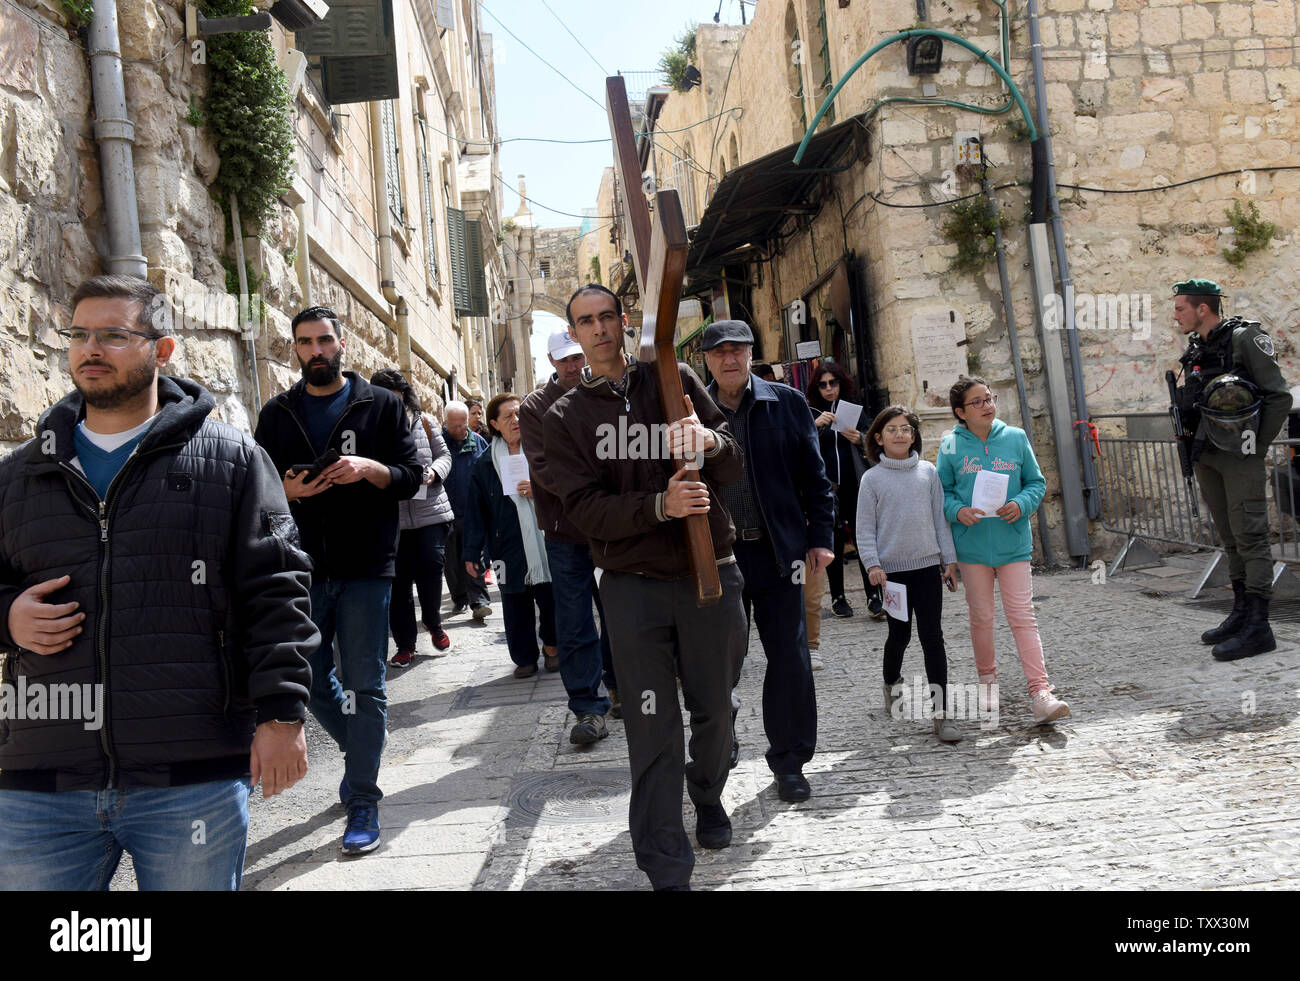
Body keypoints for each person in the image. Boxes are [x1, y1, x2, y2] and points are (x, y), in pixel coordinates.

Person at [0, 275, 317, 889]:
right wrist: (8, 616)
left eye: (115, 335)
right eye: (80, 335)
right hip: (41, 782)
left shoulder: (230, 460)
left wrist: (283, 716)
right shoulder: (20, 475)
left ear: (163, 350)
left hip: (189, 773)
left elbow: (277, 591)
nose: (91, 349)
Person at [544, 283, 747, 892]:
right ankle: (666, 865)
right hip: (633, 589)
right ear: (574, 335)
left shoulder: (672, 375)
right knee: (652, 723)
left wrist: (707, 441)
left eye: (608, 316)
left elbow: (733, 463)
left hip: (710, 571)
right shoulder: (564, 418)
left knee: (716, 712)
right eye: (586, 321)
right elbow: (583, 510)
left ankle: (707, 791)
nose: (600, 329)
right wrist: (660, 504)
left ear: (625, 321)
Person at [254, 306, 423, 854]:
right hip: (301, 568)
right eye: (306, 342)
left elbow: (413, 478)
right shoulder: (277, 414)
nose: (317, 350)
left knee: (365, 683)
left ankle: (363, 800)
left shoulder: (382, 405)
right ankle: (361, 755)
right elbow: (258, 491)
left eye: (325, 339)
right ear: (296, 349)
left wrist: (370, 470)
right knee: (307, 674)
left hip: (369, 566)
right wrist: (289, 492)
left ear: (342, 343)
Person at [703, 320, 834, 801]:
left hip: (780, 554)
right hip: (719, 557)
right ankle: (722, 749)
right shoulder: (693, 411)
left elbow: (815, 478)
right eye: (719, 353)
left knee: (790, 660)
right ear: (708, 361)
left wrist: (820, 538)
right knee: (719, 664)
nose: (729, 359)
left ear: (752, 353)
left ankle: (790, 762)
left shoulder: (787, 402)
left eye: (738, 350)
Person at [937, 376, 1070, 725]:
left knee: (1022, 616)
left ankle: (1041, 692)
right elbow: (943, 492)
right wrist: (958, 511)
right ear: (960, 412)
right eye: (978, 402)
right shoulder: (950, 445)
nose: (987, 406)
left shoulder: (1015, 437)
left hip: (1013, 544)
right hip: (973, 547)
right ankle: (987, 682)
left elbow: (1036, 482)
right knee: (981, 618)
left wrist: (1022, 503)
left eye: (989, 398)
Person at [1172, 279, 1292, 660]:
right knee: (1230, 538)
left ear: (1202, 308)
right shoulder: (1198, 347)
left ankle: (1260, 626)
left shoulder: (1245, 339)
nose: (1175, 315)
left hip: (1239, 455)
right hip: (1207, 453)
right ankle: (1241, 613)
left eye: (1180, 308)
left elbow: (1278, 395)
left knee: (1251, 537)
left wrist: (1255, 446)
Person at [519, 327, 618, 742]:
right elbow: (542, 467)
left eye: (578, 357)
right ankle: (587, 708)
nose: (574, 366)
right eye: (565, 360)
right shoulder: (535, 407)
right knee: (575, 621)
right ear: (552, 363)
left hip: (610, 528)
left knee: (619, 611)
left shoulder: (607, 392)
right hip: (565, 531)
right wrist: (592, 496)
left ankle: (621, 687)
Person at [857, 405, 961, 743]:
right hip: (892, 576)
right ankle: (892, 683)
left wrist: (949, 560)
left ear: (914, 436)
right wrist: (873, 564)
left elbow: (939, 520)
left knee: (933, 637)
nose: (899, 434)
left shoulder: (928, 473)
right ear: (878, 437)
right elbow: (865, 529)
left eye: (905, 429)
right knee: (899, 636)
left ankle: (941, 714)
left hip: (928, 569)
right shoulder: (871, 479)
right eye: (891, 429)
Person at [463, 394, 558, 679]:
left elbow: (566, 485)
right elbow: (476, 510)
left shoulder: (544, 450)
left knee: (551, 596)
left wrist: (539, 490)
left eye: (519, 413)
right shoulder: (484, 463)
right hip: (506, 543)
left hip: (546, 538)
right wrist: (471, 552)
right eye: (508, 416)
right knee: (515, 603)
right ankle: (524, 656)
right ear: (494, 424)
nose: (516, 421)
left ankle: (553, 648)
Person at [370, 370, 454, 663]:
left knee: (432, 568)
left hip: (430, 511)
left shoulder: (426, 422)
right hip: (391, 517)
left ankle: (433, 621)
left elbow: (445, 456)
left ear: (404, 397)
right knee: (398, 583)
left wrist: (435, 472)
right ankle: (405, 644)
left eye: (397, 397)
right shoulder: (370, 426)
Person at [805, 360, 872, 620]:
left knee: (862, 537)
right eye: (823, 385)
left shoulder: (855, 410)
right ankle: (838, 597)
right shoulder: (810, 412)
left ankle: (873, 594)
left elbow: (875, 441)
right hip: (826, 488)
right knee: (832, 540)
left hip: (855, 485)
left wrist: (861, 439)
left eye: (833, 383)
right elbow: (799, 446)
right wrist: (816, 426)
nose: (829, 389)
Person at [441, 401, 492, 620]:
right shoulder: (440, 444)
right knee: (451, 561)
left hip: (474, 512)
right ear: (446, 424)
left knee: (476, 556)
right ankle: (460, 598)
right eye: (455, 427)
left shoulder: (479, 442)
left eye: (463, 425)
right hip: (446, 512)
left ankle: (478, 601)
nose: (461, 430)